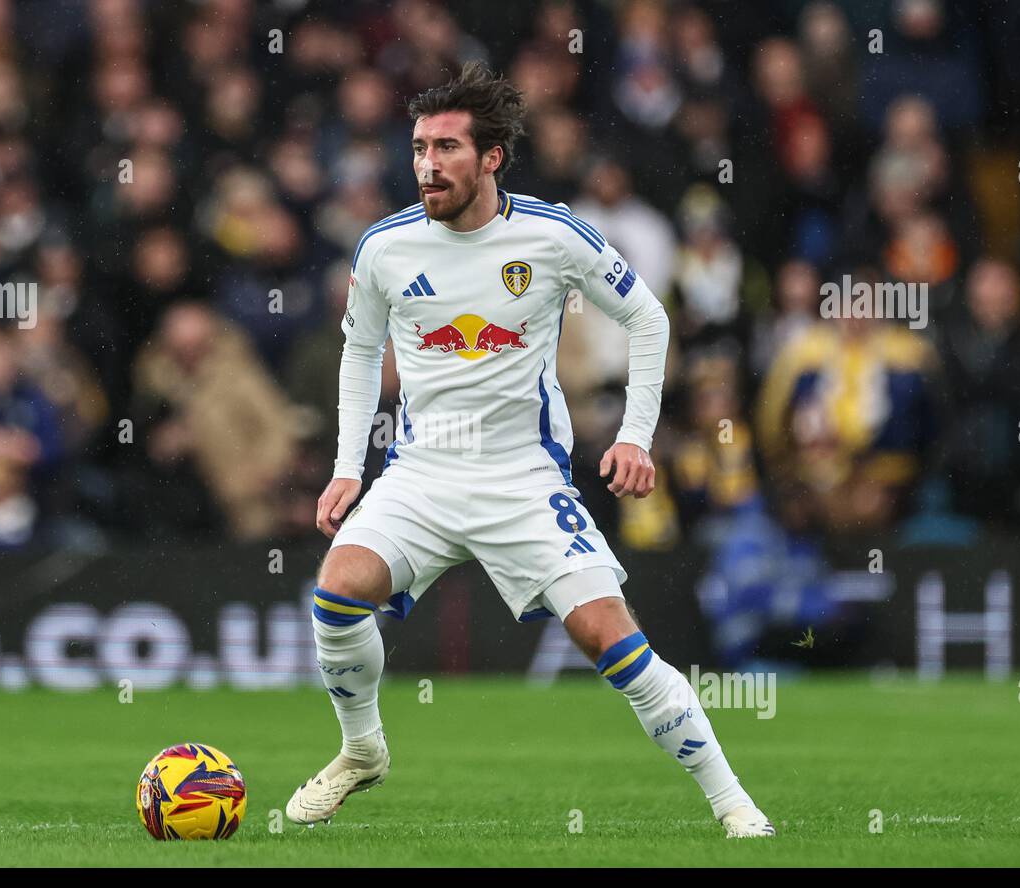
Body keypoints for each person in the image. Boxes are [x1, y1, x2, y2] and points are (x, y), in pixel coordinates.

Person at [288, 63, 775, 839]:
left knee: (610, 639)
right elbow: (358, 353)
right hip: (421, 470)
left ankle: (734, 804)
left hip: (522, 476)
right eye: (418, 148)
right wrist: (350, 467)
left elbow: (649, 319)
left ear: (490, 158)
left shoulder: (551, 236)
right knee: (338, 590)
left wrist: (634, 437)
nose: (427, 165)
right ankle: (361, 750)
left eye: (446, 147)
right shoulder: (383, 247)